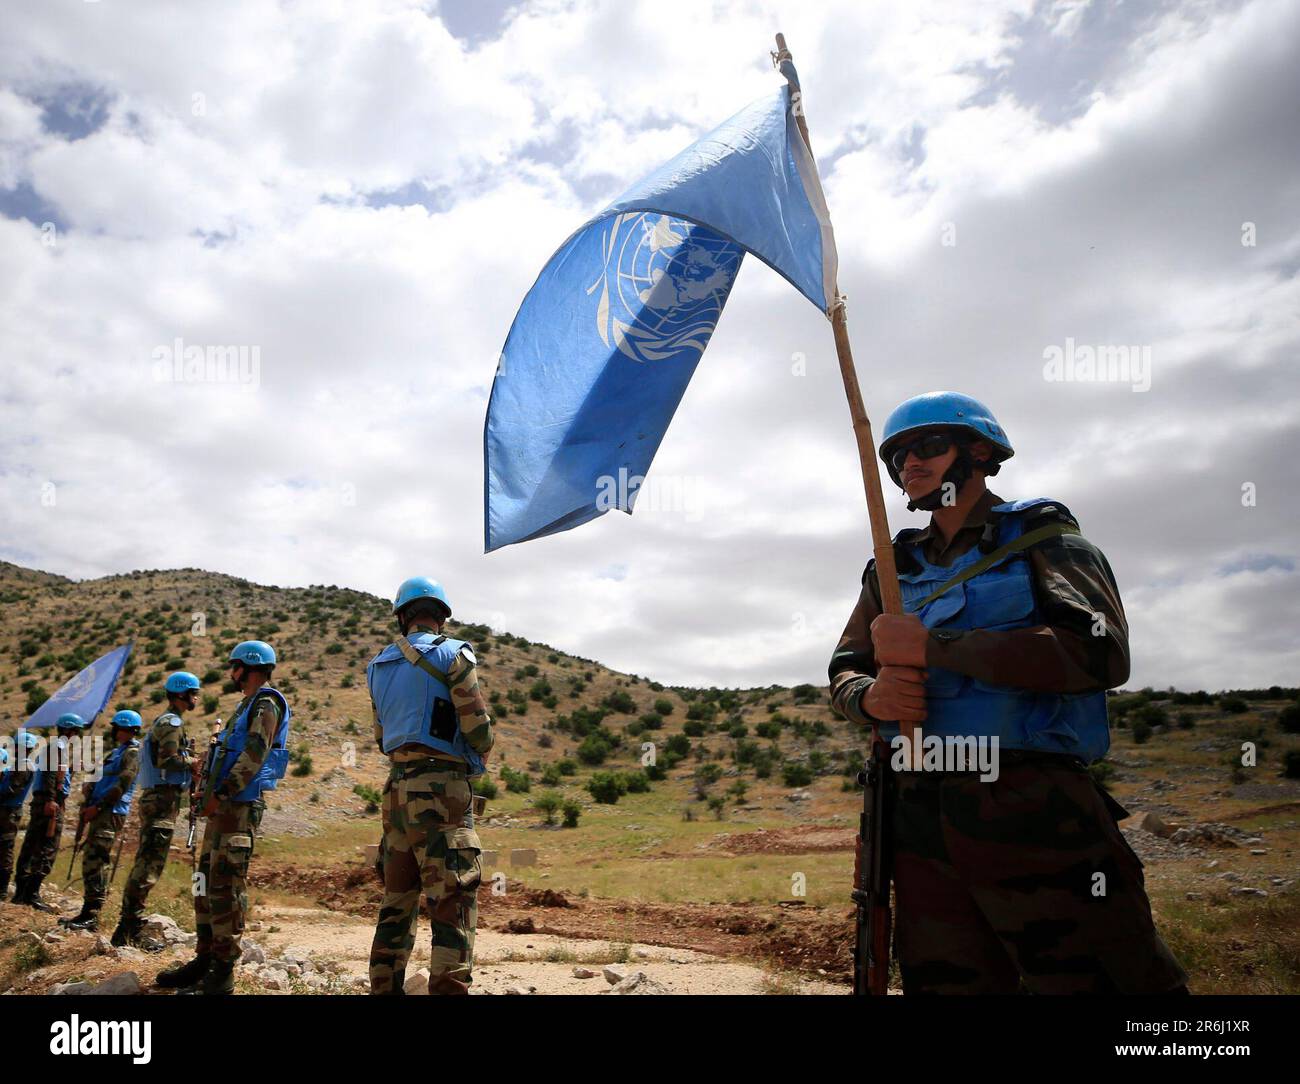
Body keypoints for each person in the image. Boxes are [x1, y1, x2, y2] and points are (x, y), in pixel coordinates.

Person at [829, 390, 1188, 994]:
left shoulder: (1043, 539)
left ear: (979, 452)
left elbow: (1100, 652)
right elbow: (844, 669)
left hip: (1032, 802)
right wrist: (869, 697)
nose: (909, 464)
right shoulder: (893, 568)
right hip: (917, 812)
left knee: (1108, 983)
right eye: (896, 457)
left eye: (928, 446)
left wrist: (936, 647)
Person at [367, 576, 493, 995]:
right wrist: (481, 749)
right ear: (441, 616)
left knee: (397, 901)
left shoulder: (378, 665)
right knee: (452, 899)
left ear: (402, 617)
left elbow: (381, 736)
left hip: (396, 790)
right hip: (442, 789)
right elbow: (477, 728)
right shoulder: (455, 654)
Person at [156, 641, 291, 995]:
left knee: (226, 886)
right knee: (204, 881)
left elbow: (255, 754)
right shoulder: (245, 706)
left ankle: (223, 971)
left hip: (238, 808)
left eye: (234, 666)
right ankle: (205, 957)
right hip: (221, 808)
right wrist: (206, 788)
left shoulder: (266, 703)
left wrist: (221, 793)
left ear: (247, 667)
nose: (231, 673)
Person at [113, 671, 202, 947]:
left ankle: (128, 925)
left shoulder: (168, 721)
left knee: (148, 861)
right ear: (181, 694)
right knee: (149, 864)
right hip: (161, 800)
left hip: (162, 799)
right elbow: (168, 760)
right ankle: (129, 928)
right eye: (193, 693)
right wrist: (194, 762)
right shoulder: (172, 722)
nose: (196, 698)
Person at [61, 710, 143, 932]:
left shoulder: (133, 753)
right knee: (91, 859)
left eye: (121, 728)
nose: (117, 732)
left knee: (96, 860)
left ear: (130, 730)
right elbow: (101, 777)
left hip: (110, 811)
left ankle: (92, 915)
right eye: (117, 728)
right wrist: (89, 788)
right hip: (99, 810)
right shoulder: (116, 753)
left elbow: (122, 784)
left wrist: (97, 807)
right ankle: (88, 911)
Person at [12, 712, 84, 911]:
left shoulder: (54, 747)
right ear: (69, 731)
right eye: (76, 731)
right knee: (47, 848)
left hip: (43, 799)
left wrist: (72, 769)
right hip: (50, 801)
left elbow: (57, 775)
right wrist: (52, 800)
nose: (77, 735)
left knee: (32, 843)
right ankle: (31, 893)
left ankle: (21, 893)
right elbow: (51, 775)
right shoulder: (58, 747)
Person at [0, 730, 40, 899]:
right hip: (5, 810)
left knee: (5, 849)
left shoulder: (24, 766)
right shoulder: (18, 764)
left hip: (9, 812)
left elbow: (11, 790)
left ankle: (2, 889)